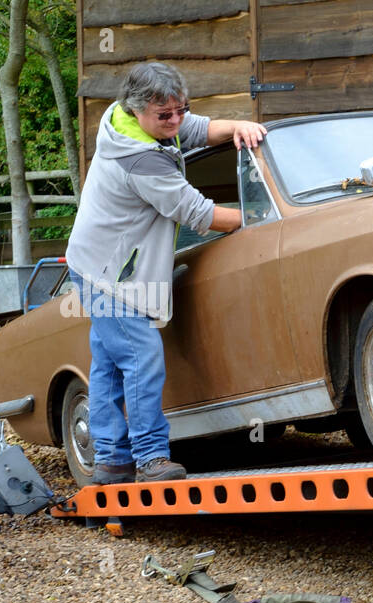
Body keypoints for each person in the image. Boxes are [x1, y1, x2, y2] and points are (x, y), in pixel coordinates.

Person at [65, 61, 267, 484]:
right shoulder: (140, 161)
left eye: (179, 109)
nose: (175, 121)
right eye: (165, 115)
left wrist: (238, 127)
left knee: (107, 364)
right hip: (110, 274)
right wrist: (265, 216)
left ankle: (110, 460)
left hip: (95, 260)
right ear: (137, 110)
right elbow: (196, 211)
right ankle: (151, 457)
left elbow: (197, 127)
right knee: (141, 359)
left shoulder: (130, 121)